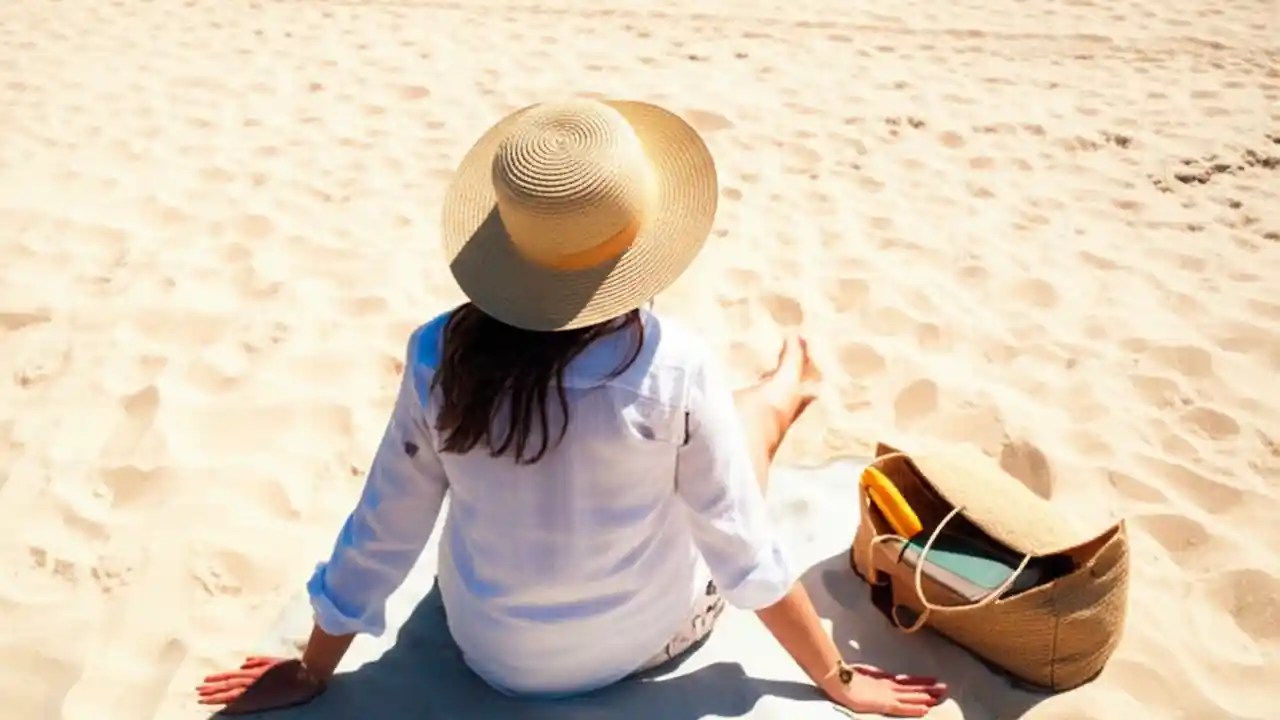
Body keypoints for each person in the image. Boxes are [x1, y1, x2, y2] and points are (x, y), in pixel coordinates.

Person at [195, 99, 947, 717]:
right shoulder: (672, 362)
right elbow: (741, 548)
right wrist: (838, 680)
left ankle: (776, 390)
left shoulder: (438, 355)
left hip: (484, 647)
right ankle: (784, 389)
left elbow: (384, 532)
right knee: (745, 434)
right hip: (642, 643)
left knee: (717, 423)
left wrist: (313, 667)